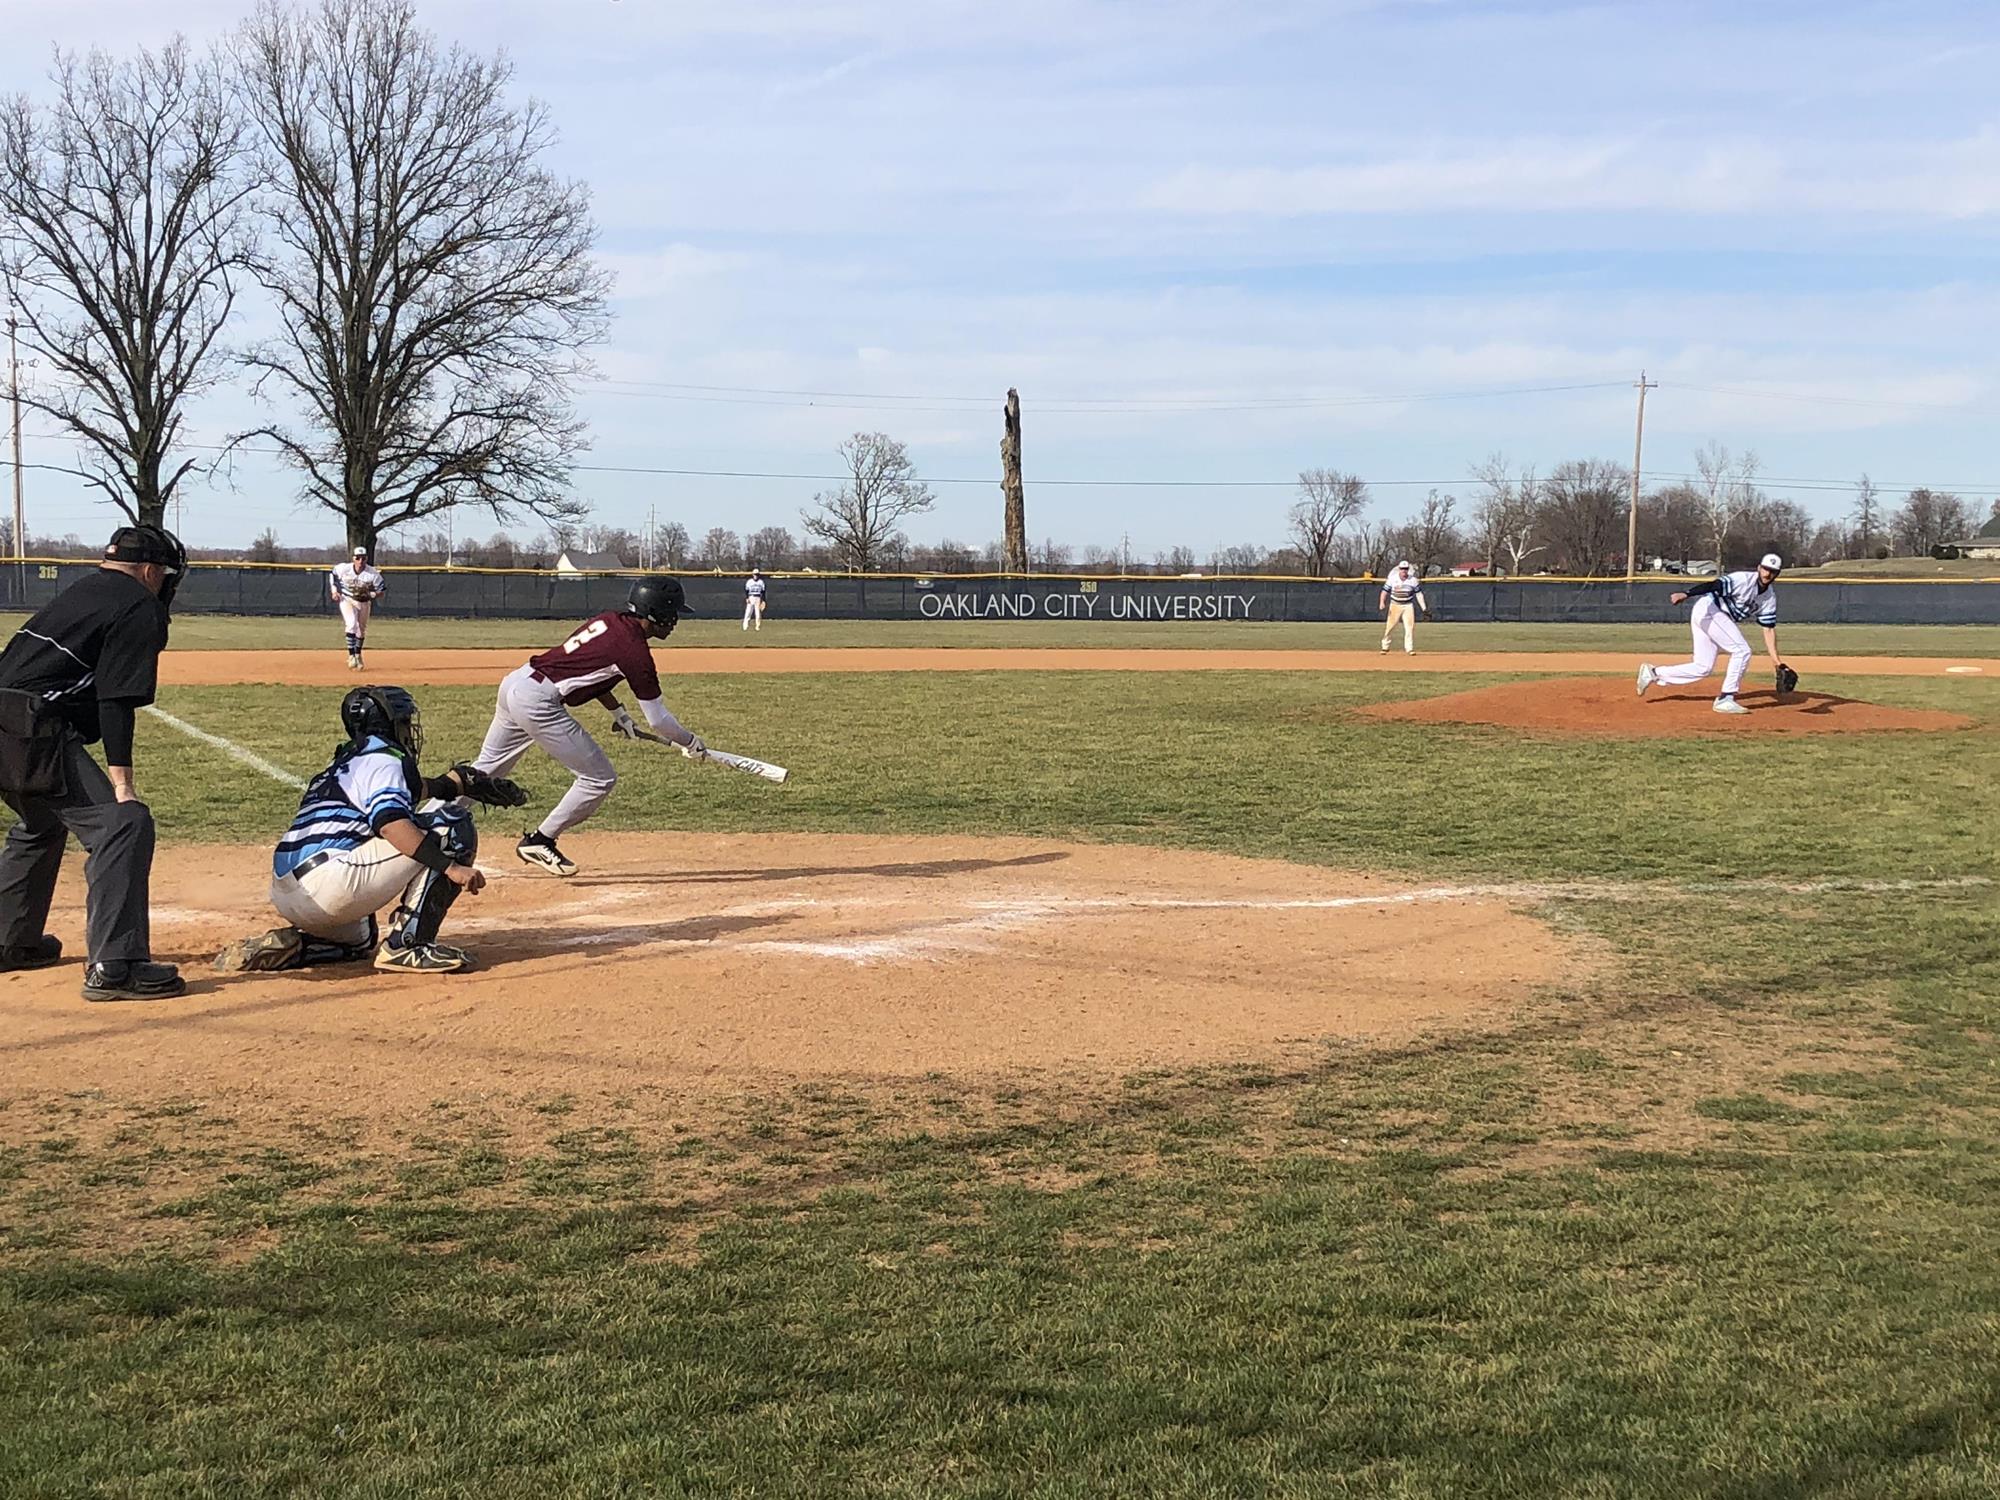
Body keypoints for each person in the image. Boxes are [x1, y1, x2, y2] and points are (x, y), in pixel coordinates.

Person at [213, 686, 527, 975]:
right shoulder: (385, 760)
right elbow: (391, 824)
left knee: (359, 942)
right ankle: (409, 946)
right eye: (404, 722)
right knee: (452, 824)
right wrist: (451, 867)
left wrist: (453, 783)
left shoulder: (344, 763)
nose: (408, 730)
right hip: (330, 883)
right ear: (388, 724)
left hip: (290, 892)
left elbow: (412, 790)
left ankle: (297, 946)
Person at [0, 524, 186, 1001]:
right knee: (123, 825)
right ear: (148, 571)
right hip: (28, 730)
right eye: (162, 574)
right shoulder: (138, 605)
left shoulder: (83, 590)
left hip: (8, 721)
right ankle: (115, 965)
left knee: (41, 821)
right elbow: (115, 700)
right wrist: (122, 783)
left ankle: (8, 941)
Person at [465, 577, 706, 877]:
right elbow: (658, 720)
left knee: (484, 770)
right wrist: (690, 741)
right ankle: (541, 840)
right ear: (655, 613)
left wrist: (618, 712)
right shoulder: (636, 652)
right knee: (598, 779)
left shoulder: (610, 620)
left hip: (518, 681)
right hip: (537, 700)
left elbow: (585, 667)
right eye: (672, 615)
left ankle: (425, 824)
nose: (675, 623)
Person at [1636, 553, 1784, 715]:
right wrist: (1687, 594)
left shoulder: (1769, 598)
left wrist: (1777, 662)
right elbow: (1715, 585)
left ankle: (1653, 673)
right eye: (1765, 569)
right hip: (1710, 610)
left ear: (1777, 573)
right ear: (1759, 568)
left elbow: (1768, 629)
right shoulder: (1743, 579)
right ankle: (1725, 698)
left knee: (1703, 667)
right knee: (1742, 651)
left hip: (1714, 616)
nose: (1767, 574)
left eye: (1772, 571)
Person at [329, 546, 386, 670]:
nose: (360, 561)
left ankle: (358, 654)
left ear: (366, 559)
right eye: (358, 558)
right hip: (347, 600)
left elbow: (381, 590)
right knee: (351, 624)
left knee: (361, 629)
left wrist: (373, 594)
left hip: (364, 602)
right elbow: (333, 574)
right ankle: (351, 656)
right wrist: (334, 591)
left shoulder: (372, 573)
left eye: (363, 558)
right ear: (353, 558)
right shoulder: (344, 568)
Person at [1378, 560, 1427, 655]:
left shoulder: (1412, 580)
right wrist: (1382, 602)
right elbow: (1384, 591)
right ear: (1399, 569)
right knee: (1390, 627)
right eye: (1402, 569)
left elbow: (1419, 594)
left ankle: (1409, 648)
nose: (1404, 571)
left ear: (1408, 569)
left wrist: (1424, 608)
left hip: (1408, 605)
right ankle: (1385, 646)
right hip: (1395, 605)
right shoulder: (1392, 579)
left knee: (1409, 627)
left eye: (1405, 569)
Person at [743, 567, 767, 631]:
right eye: (754, 574)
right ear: (752, 574)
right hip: (751, 597)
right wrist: (747, 598)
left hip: (758, 597)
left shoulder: (761, 582)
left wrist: (763, 600)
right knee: (748, 612)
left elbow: (763, 592)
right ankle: (745, 626)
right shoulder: (749, 582)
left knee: (757, 613)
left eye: (757, 574)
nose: (756, 576)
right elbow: (746, 590)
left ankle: (757, 626)